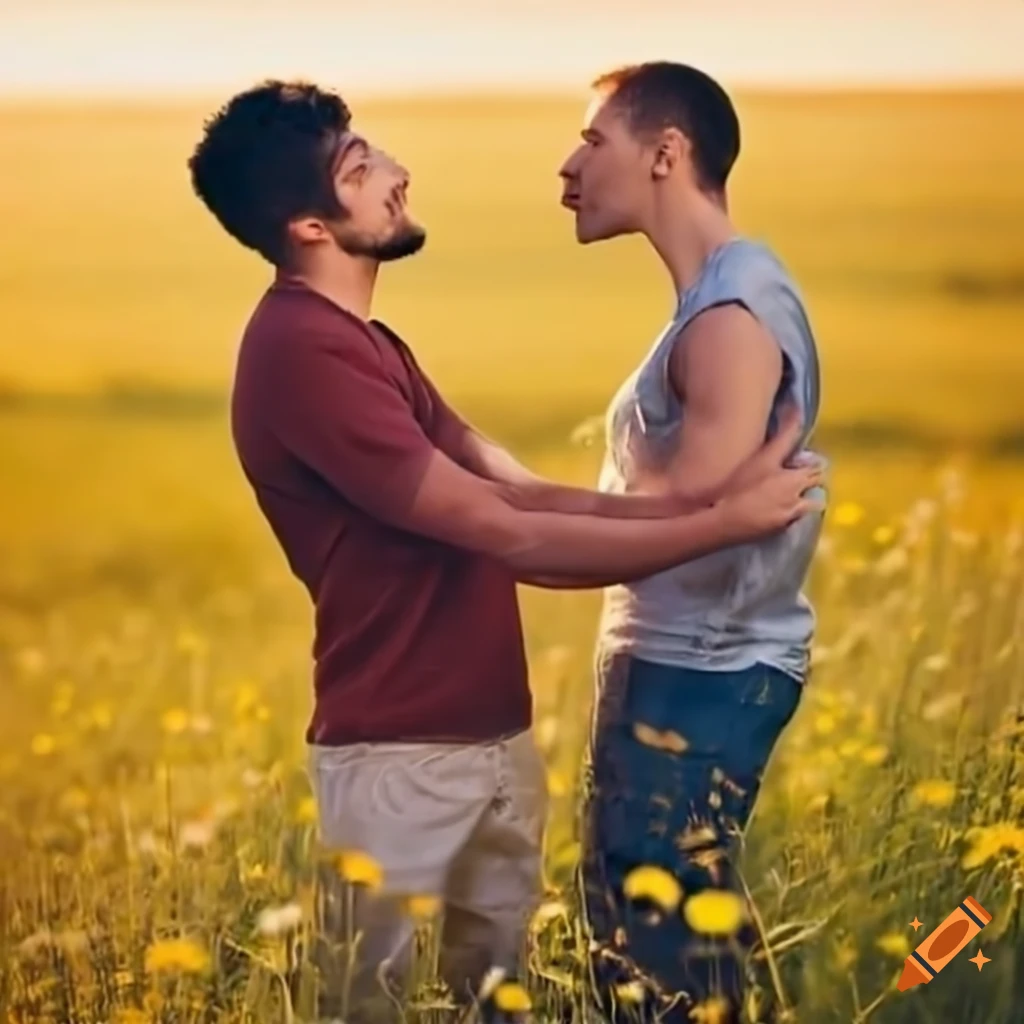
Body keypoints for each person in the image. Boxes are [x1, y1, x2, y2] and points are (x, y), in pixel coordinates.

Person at [187, 79, 822, 1022]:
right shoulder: (298, 350)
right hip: (396, 752)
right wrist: (723, 524)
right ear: (310, 226)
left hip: (490, 737)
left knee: (496, 1001)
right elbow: (501, 530)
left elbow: (519, 488)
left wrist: (701, 502)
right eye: (362, 171)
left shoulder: (374, 345)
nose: (398, 175)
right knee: (369, 1003)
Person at [557, 62, 825, 1022]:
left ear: (666, 153)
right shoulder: (722, 294)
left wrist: (516, 528)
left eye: (593, 140)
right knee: (661, 938)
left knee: (658, 961)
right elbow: (693, 502)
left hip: (697, 668)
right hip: (691, 661)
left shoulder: (727, 314)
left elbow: (693, 509)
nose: (568, 165)